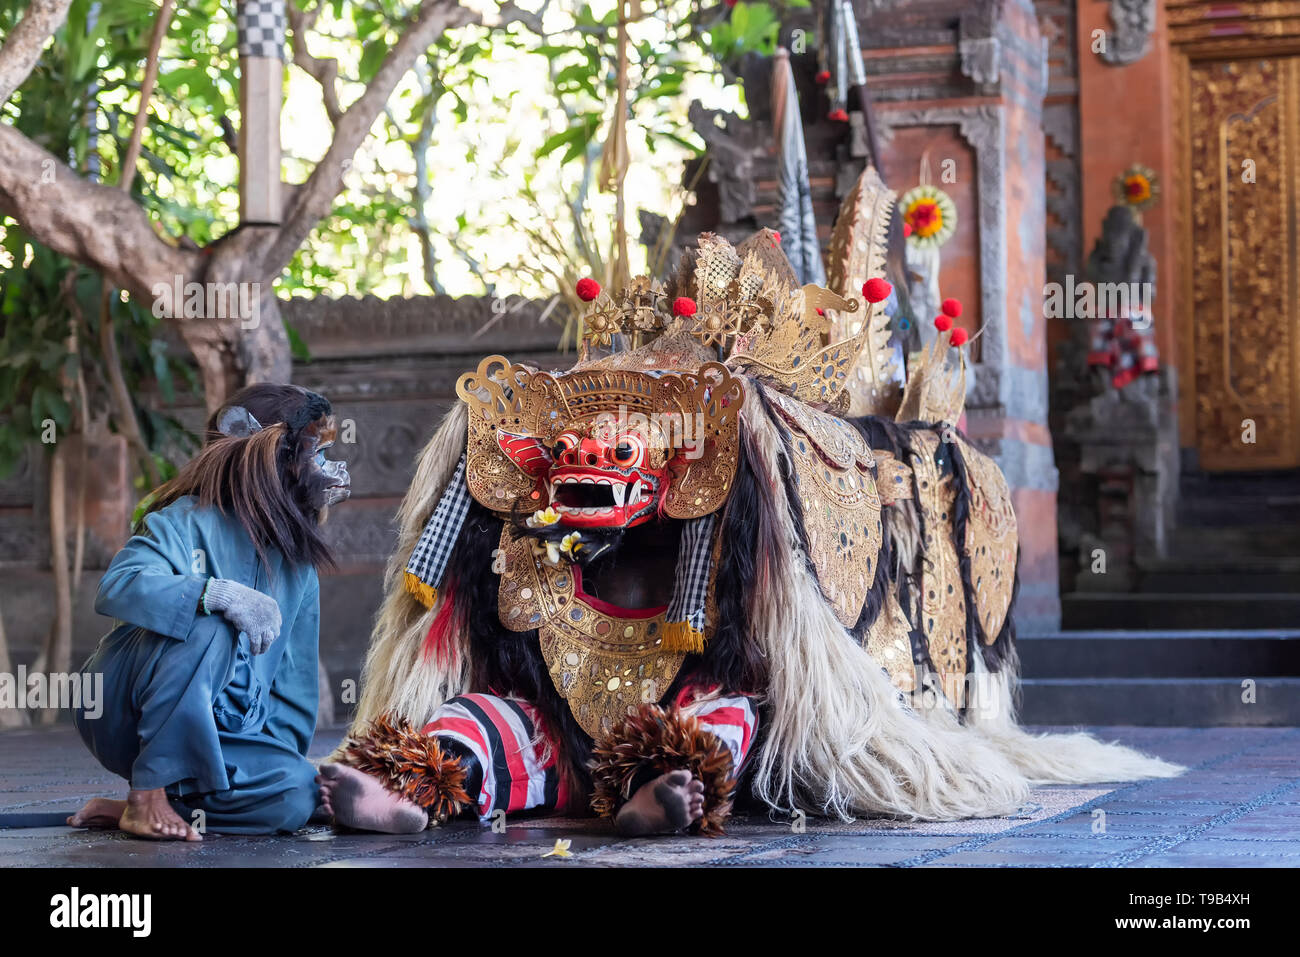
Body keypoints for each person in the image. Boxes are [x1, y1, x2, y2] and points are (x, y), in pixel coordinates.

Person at [67, 384, 349, 840]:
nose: (323, 468)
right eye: (314, 453)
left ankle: (146, 803)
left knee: (296, 796)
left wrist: (284, 768)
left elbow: (292, 695)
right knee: (216, 623)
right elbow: (116, 587)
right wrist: (215, 594)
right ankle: (149, 793)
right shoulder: (182, 520)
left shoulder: (299, 569)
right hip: (120, 713)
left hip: (219, 739)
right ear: (274, 457)